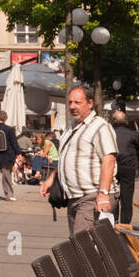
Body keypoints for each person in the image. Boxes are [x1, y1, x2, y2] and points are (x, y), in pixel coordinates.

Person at [41, 85, 117, 235]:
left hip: (92, 196)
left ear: (90, 103)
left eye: (77, 102)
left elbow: (109, 160)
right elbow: (65, 157)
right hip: (73, 197)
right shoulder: (71, 127)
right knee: (80, 245)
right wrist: (52, 178)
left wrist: (103, 193)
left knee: (83, 245)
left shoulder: (99, 126)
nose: (72, 106)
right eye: (70, 102)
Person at [111, 110, 139, 225]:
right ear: (126, 121)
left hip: (112, 167)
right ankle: (125, 223)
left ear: (113, 121)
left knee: (113, 194)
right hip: (128, 167)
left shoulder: (109, 133)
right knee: (127, 197)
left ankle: (114, 219)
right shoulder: (134, 134)